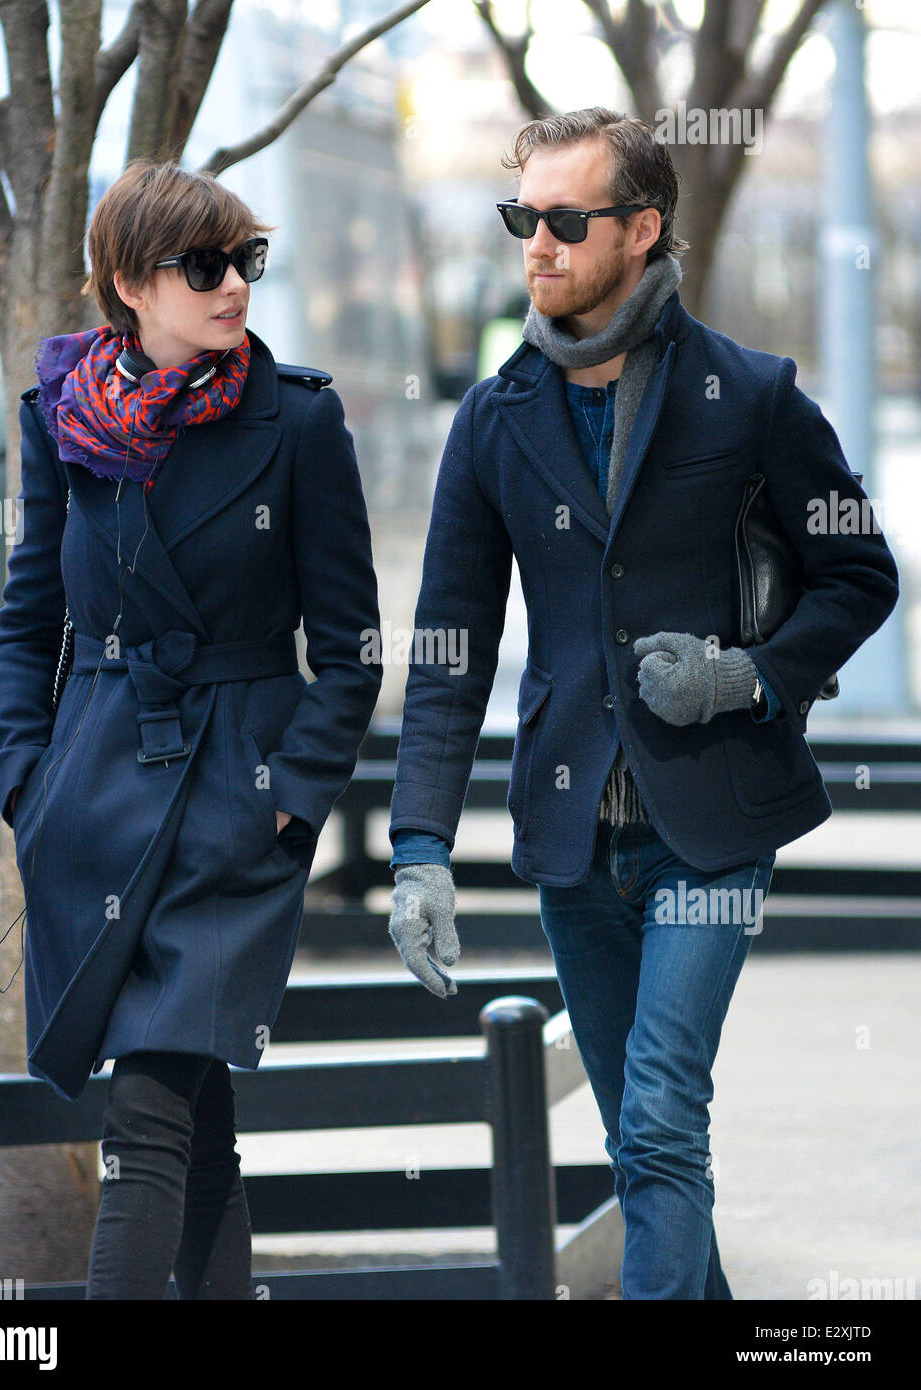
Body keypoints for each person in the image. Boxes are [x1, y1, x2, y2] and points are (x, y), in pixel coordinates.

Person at [387, 108, 899, 1299]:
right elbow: (452, 650)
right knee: (642, 1149)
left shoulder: (750, 393)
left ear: (643, 227)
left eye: (568, 221)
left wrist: (747, 673)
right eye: (525, 219)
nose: (539, 245)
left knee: (664, 1121)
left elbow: (858, 572)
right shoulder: (494, 416)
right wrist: (418, 845)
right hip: (574, 837)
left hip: (712, 824)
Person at [0, 159, 383, 1298]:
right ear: (126, 281)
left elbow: (351, 651)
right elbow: (29, 620)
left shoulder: (297, 420)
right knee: (200, 1128)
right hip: (97, 797)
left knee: (150, 1107)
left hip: (234, 804)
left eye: (246, 261)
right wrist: (25, 776)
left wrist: (292, 796)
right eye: (203, 265)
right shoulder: (62, 421)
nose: (233, 286)